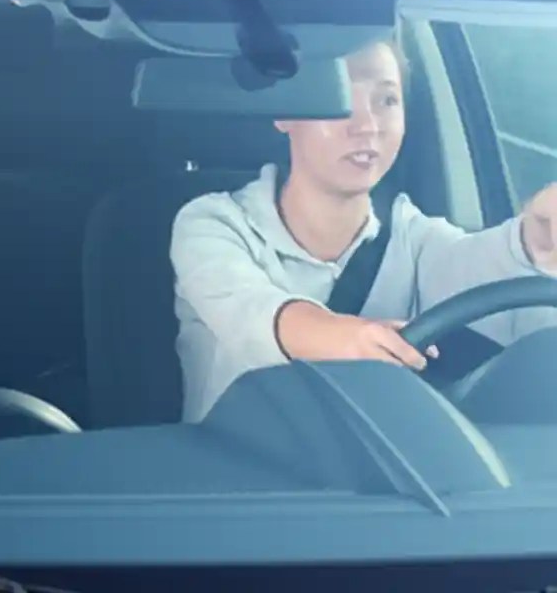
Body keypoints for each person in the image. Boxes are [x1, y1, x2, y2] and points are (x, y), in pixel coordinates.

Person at [170, 37, 557, 423]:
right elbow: (251, 312)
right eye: (339, 96)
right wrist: (343, 336)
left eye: (386, 100)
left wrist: (533, 242)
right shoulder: (212, 224)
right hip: (229, 460)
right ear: (285, 112)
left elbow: (486, 266)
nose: (368, 126)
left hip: (369, 461)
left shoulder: (413, 238)